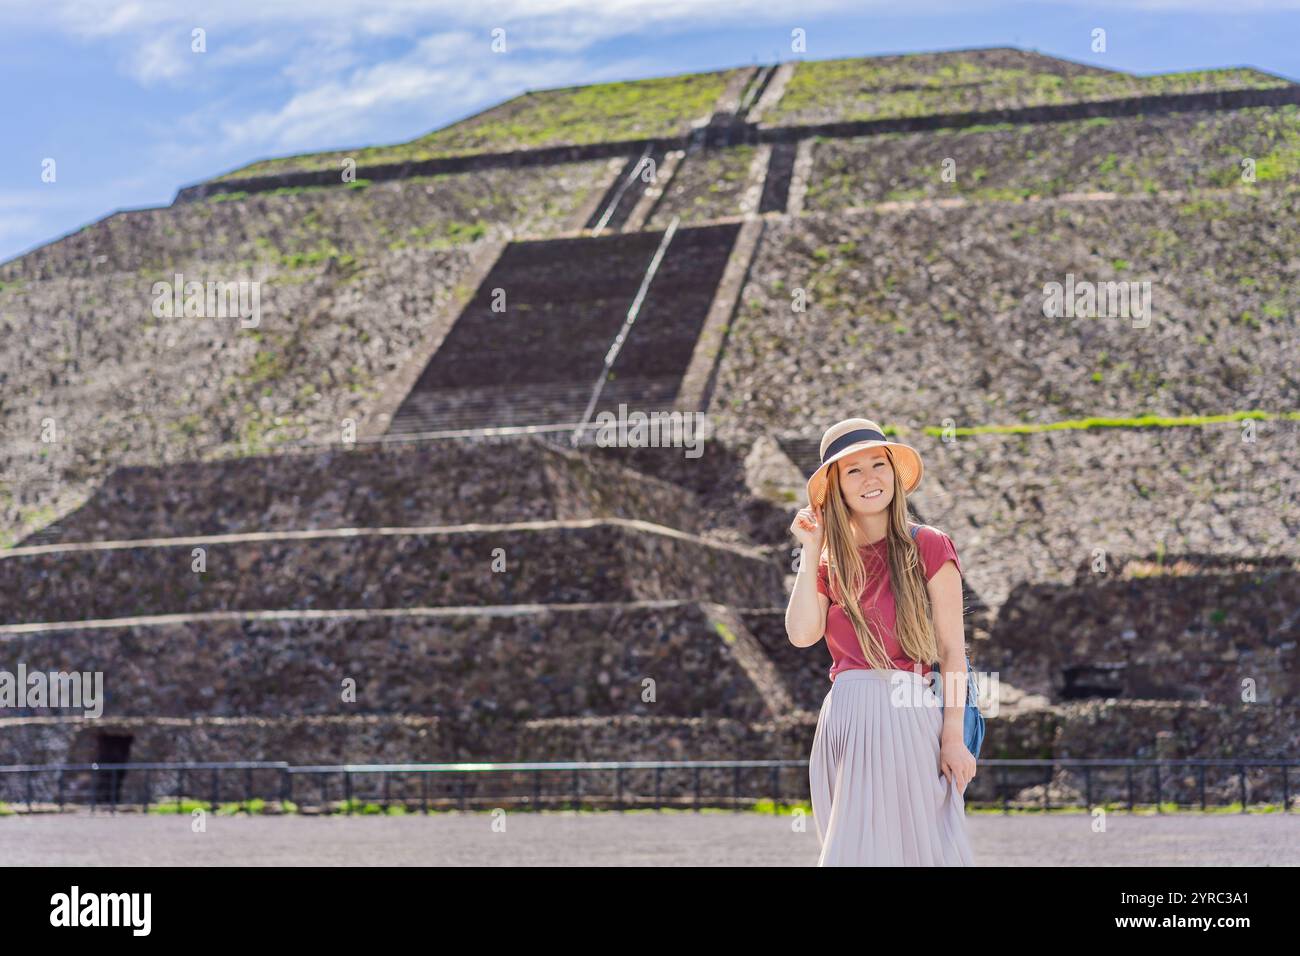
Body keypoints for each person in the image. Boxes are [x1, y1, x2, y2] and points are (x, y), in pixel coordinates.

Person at [785, 417, 976, 866]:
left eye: (878, 464)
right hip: (846, 718)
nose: (870, 478)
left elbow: (952, 652)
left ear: (894, 473)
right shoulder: (828, 561)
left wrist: (953, 735)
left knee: (917, 852)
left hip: (909, 715)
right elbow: (801, 634)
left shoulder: (928, 545)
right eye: (853, 470)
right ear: (836, 488)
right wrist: (811, 552)